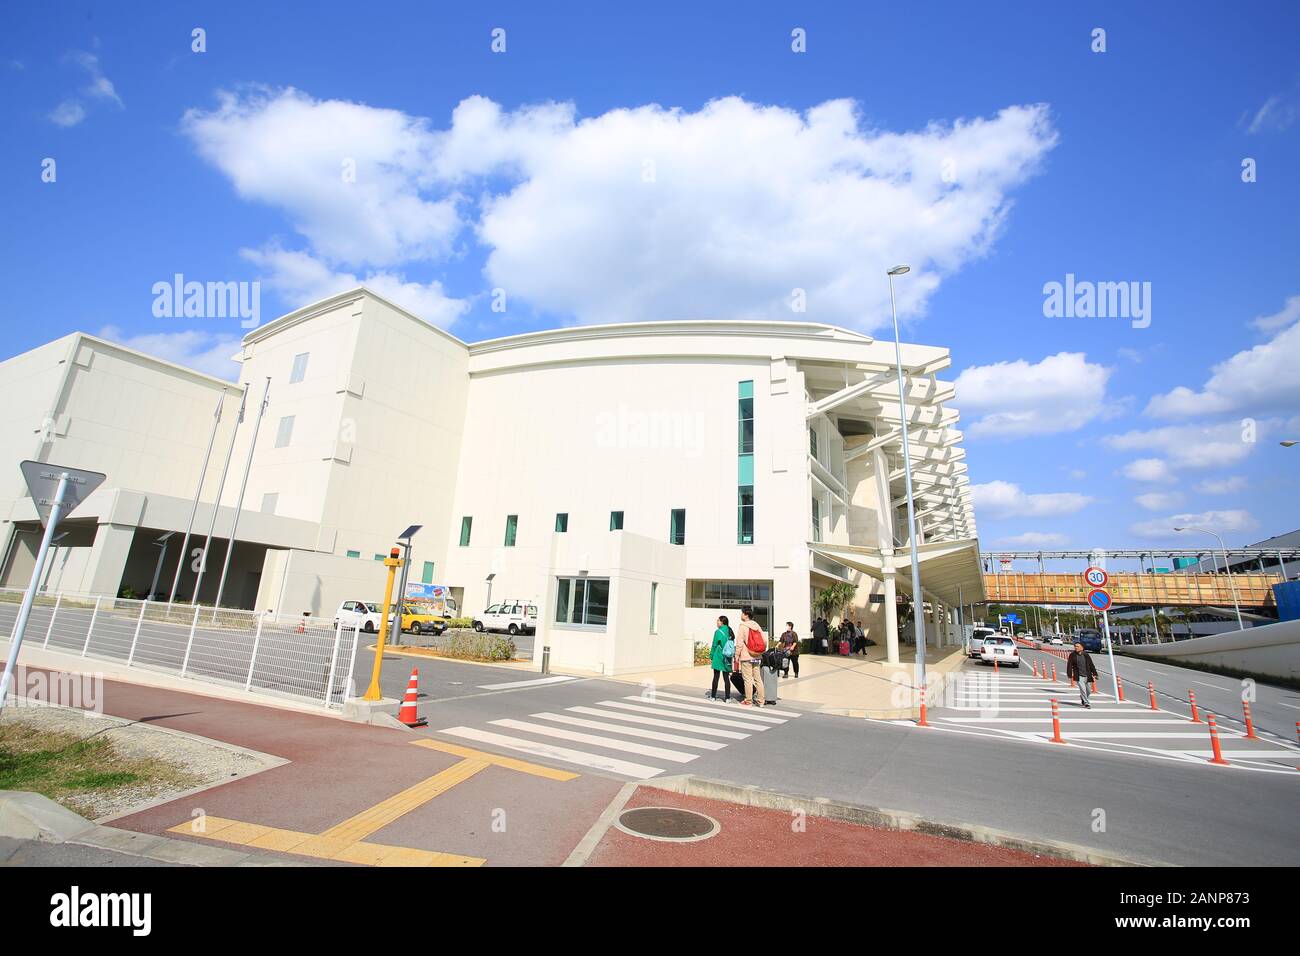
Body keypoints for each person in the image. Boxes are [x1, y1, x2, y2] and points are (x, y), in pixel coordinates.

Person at [734, 606, 766, 706]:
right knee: (758, 679)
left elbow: (739, 643)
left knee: (747, 679)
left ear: (746, 615)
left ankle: (748, 700)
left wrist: (737, 655)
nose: (741, 615)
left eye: (742, 613)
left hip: (746, 656)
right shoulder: (757, 625)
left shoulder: (743, 626)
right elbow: (764, 641)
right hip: (756, 656)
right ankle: (761, 701)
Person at [708, 615, 735, 701]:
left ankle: (713, 696)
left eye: (718, 621)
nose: (717, 622)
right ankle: (727, 698)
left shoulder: (718, 632)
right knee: (726, 678)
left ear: (722, 622)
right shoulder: (730, 631)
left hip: (718, 656)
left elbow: (714, 645)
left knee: (716, 677)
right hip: (727, 657)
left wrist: (711, 655)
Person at [1066, 641, 1099, 708]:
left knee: (1088, 691)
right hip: (1079, 675)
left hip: (1087, 675)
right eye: (1075, 646)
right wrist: (1069, 674)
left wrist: (1095, 674)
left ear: (1082, 647)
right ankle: (1087, 703)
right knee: (1083, 689)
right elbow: (1069, 665)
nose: (1076, 648)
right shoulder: (1072, 655)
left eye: (1077, 646)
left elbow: (1091, 664)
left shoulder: (1086, 655)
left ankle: (1083, 697)